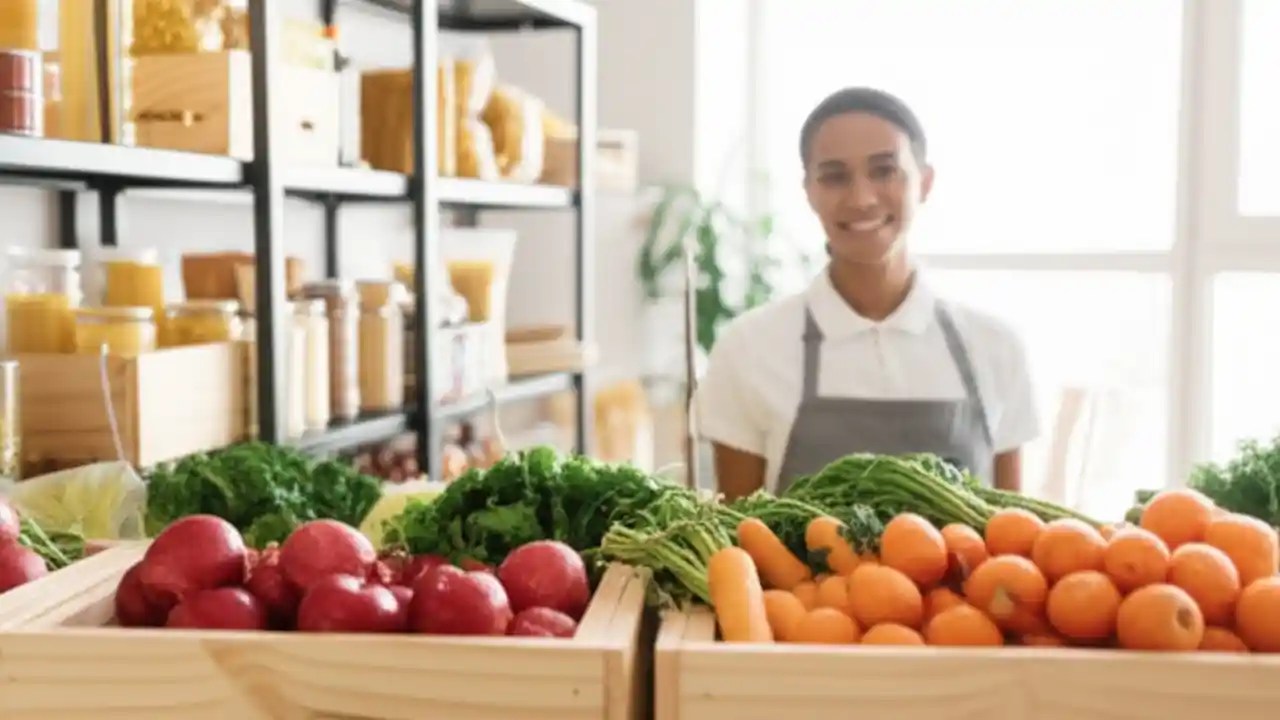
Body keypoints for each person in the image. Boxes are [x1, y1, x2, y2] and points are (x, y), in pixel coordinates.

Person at [694, 86, 1039, 501]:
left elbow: (1017, 540)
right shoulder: (748, 348)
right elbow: (736, 541)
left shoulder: (995, 347)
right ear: (809, 191)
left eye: (884, 170)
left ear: (925, 183)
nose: (861, 198)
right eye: (835, 176)